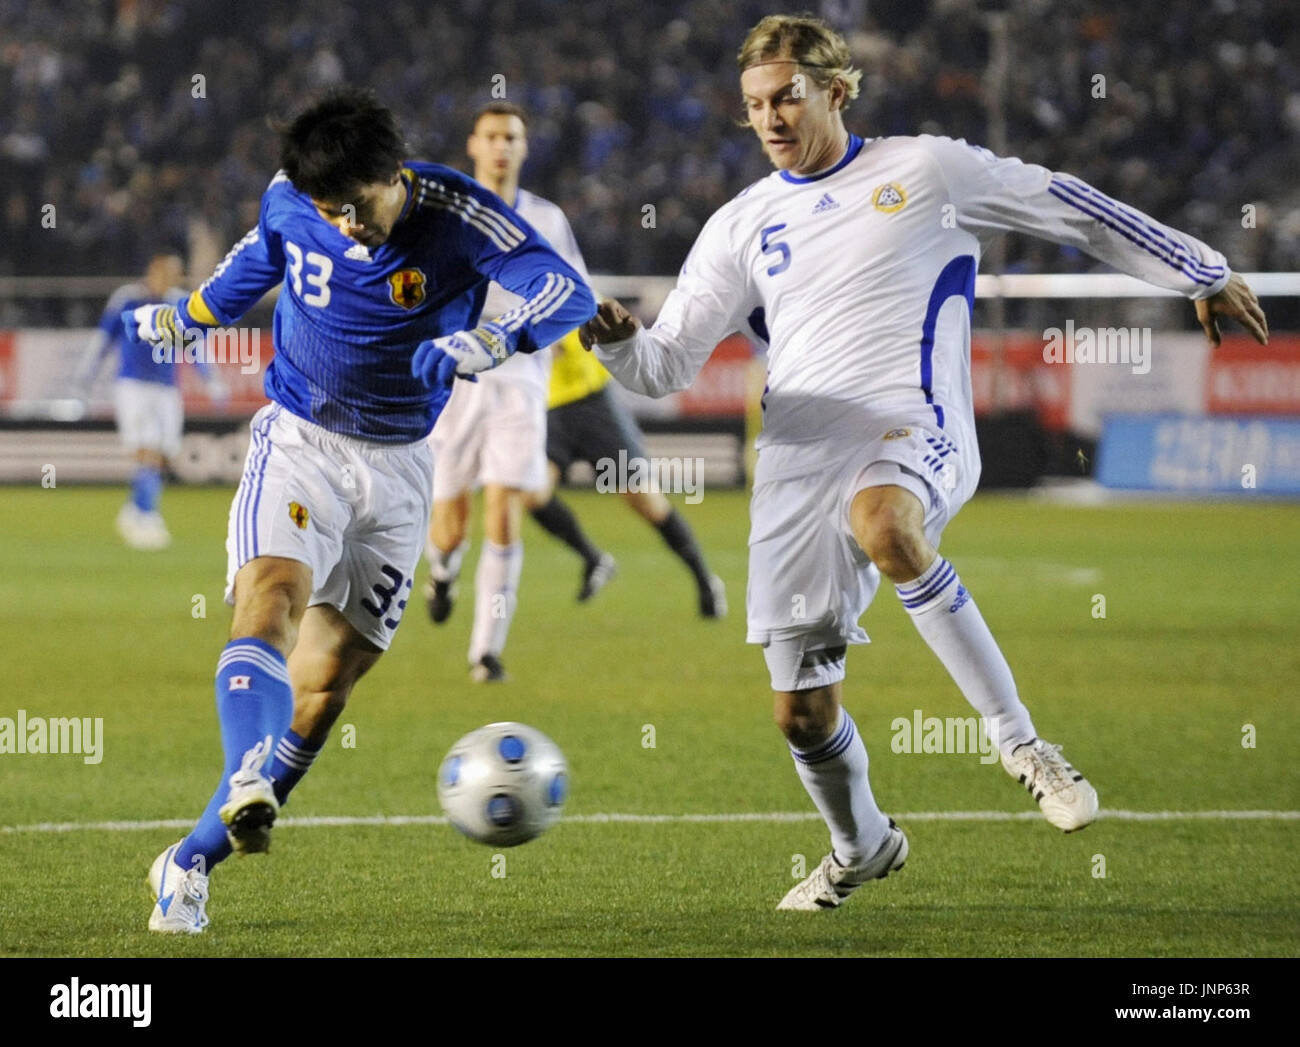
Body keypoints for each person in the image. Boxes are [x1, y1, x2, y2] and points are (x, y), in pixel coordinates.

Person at [582, 14, 1269, 911]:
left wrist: (1201, 271)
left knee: (887, 526)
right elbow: (667, 365)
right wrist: (619, 343)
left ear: (836, 87)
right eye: (754, 105)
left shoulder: (927, 169)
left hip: (914, 422)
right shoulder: (741, 223)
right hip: (796, 456)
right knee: (800, 709)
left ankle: (1021, 742)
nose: (771, 118)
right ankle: (862, 843)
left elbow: (1071, 205)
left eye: (787, 95)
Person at [123, 88, 594, 933]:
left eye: (358, 205)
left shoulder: (456, 214)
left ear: (394, 173)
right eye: (326, 210)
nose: (343, 224)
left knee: (326, 687)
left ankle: (189, 857)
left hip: (405, 467)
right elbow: (255, 263)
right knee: (268, 595)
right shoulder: (291, 198)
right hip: (301, 440)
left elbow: (565, 292)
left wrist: (496, 336)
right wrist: (189, 318)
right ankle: (247, 776)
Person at [423, 102, 595, 681]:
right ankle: (441, 573)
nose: (502, 146)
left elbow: (576, 294)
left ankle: (486, 650)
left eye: (512, 137)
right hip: (458, 379)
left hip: (521, 377)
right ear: (473, 144)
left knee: (504, 509)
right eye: (492, 136)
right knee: (450, 525)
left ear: (524, 148)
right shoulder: (448, 214)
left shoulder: (546, 219)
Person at [524, 328, 728, 617]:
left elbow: (578, 333)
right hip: (552, 410)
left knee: (647, 502)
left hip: (591, 403)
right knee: (533, 493)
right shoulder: (512, 290)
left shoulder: (571, 287)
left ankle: (705, 580)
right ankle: (594, 558)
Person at [74, 252, 227, 549]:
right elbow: (103, 339)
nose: (172, 278)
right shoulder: (128, 298)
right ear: (152, 271)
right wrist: (84, 379)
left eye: (176, 273)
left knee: (164, 452)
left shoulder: (180, 302)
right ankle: (147, 516)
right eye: (167, 272)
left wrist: (212, 381)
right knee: (145, 450)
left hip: (166, 388)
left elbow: (195, 344)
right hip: (133, 386)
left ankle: (133, 511)